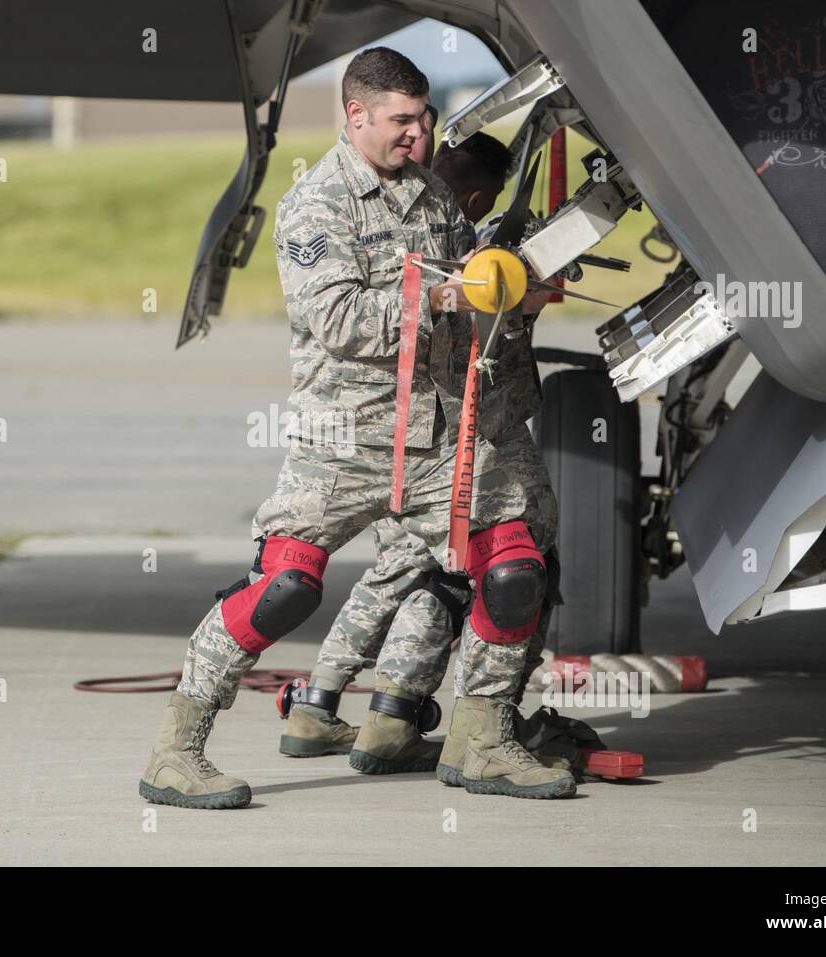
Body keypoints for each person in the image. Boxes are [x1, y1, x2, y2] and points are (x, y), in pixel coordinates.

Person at [140, 48, 575, 809]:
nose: (420, 133)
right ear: (357, 116)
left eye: (425, 117)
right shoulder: (317, 204)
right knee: (283, 586)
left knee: (514, 569)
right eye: (403, 120)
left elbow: (465, 304)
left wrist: (514, 297)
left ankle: (482, 738)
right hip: (347, 438)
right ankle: (176, 751)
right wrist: (444, 300)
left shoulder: (435, 198)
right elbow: (336, 319)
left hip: (444, 435)